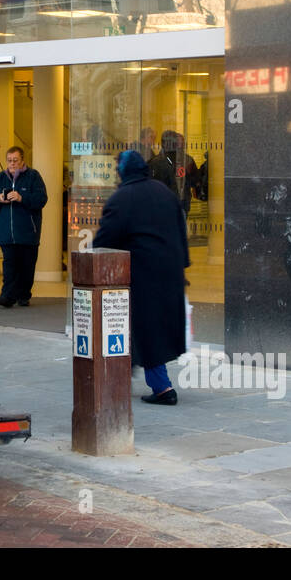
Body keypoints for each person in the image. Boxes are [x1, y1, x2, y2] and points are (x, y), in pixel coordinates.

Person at [94, 149, 189, 405]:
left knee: (144, 331)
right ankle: (139, 378)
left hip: (142, 276)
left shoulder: (123, 197)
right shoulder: (164, 192)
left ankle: (161, 388)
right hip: (169, 274)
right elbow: (181, 230)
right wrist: (183, 266)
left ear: (123, 172)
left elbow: (104, 239)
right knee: (151, 331)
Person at [0, 146, 47, 307]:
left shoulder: (33, 176)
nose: (12, 164)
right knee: (9, 266)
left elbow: (41, 199)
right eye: (9, 160)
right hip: (7, 233)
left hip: (28, 233)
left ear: (22, 160)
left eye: (15, 160)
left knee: (26, 267)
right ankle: (7, 296)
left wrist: (21, 197)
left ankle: (23, 295)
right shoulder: (0, 178)